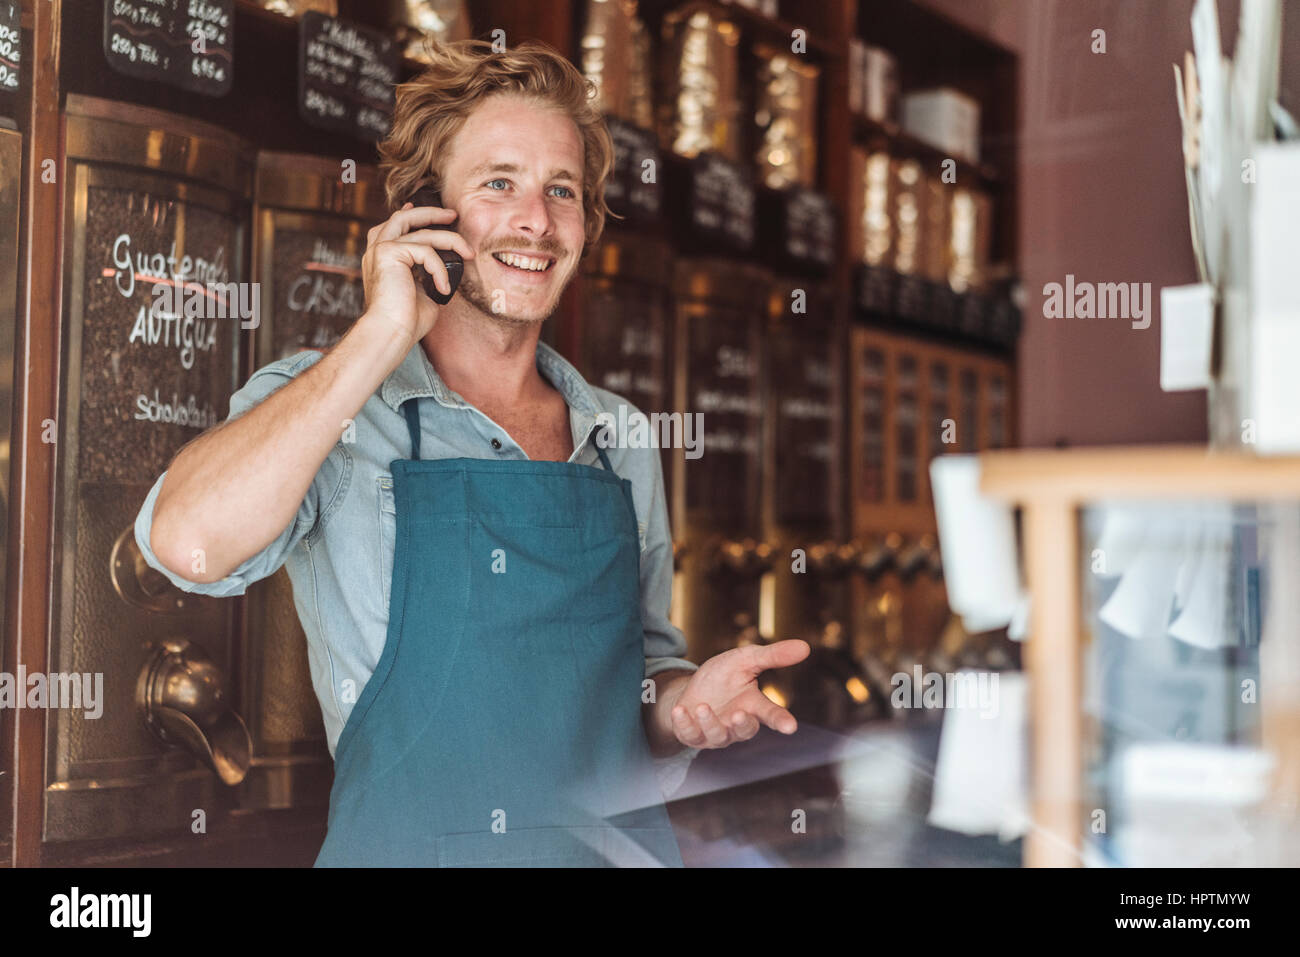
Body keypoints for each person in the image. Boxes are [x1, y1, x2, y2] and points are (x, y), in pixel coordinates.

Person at [135, 38, 809, 867]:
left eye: (561, 190)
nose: (536, 220)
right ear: (427, 212)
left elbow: (638, 687)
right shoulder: (332, 403)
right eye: (499, 183)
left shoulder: (621, 436)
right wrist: (382, 333)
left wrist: (681, 709)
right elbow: (187, 543)